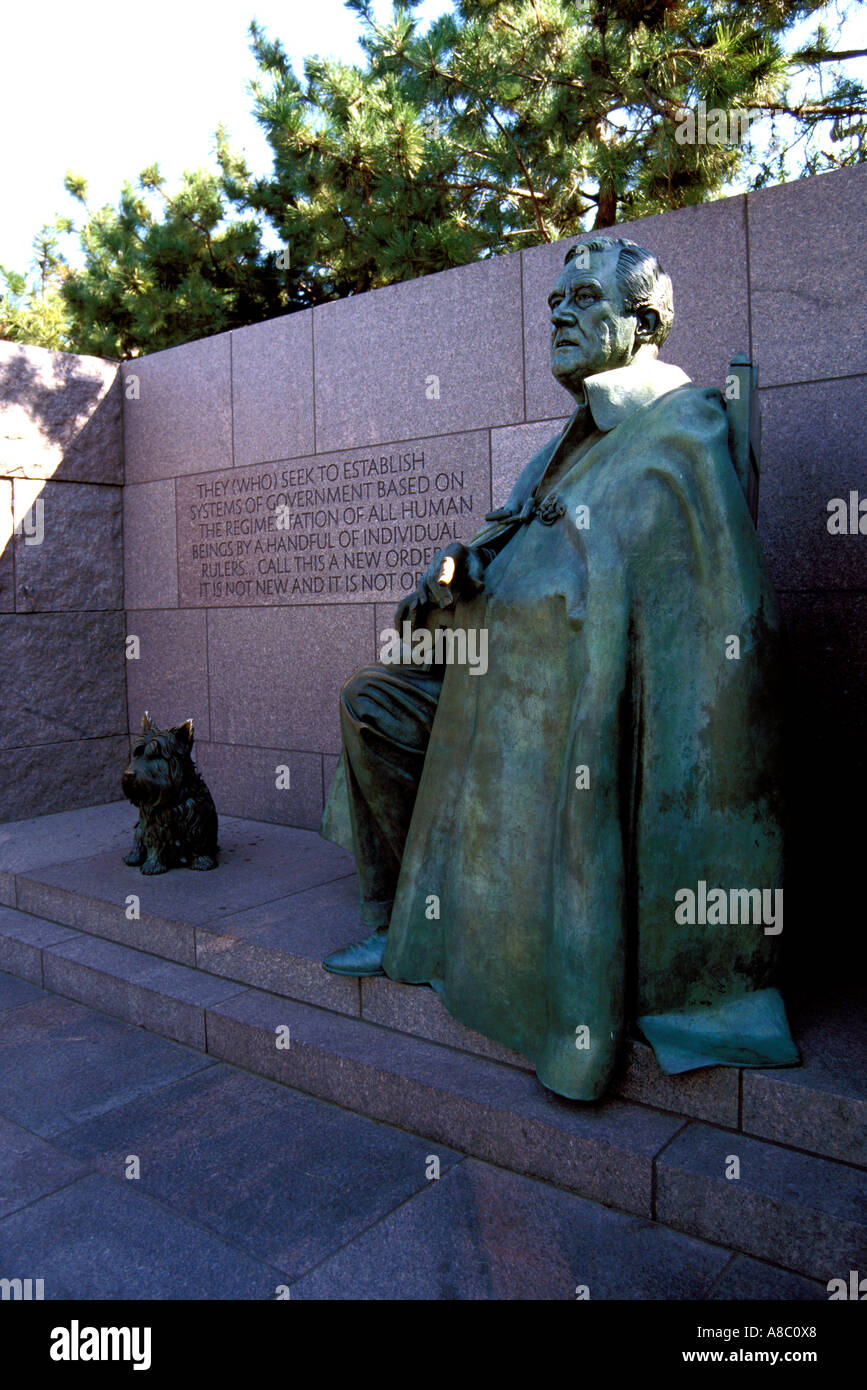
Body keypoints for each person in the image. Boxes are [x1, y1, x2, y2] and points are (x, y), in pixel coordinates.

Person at [319, 236, 798, 1101]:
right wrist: (459, 567)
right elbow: (510, 539)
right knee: (373, 704)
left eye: (583, 300)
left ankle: (543, 974)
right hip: (492, 683)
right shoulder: (561, 443)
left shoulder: (680, 427)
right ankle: (406, 923)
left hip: (580, 708)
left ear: (643, 322)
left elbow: (693, 611)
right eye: (553, 302)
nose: (559, 316)